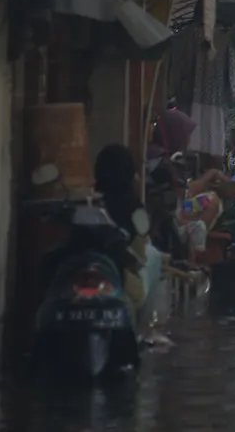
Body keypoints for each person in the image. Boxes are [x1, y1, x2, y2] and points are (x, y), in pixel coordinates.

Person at [94, 144, 164, 336]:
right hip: (120, 279)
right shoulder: (134, 208)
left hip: (89, 273)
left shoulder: (90, 202)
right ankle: (146, 330)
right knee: (154, 256)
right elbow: (140, 256)